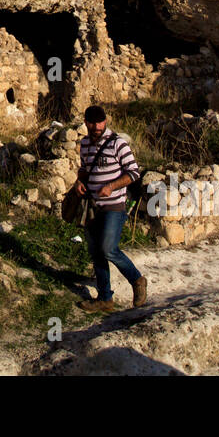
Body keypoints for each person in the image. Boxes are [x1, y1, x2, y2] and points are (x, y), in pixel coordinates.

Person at [74, 104, 147, 312]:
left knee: (108, 249)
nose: (96, 126)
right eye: (92, 122)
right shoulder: (85, 143)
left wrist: (111, 186)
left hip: (114, 206)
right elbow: (84, 169)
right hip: (92, 205)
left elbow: (134, 173)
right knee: (96, 252)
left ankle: (137, 280)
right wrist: (79, 182)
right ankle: (105, 298)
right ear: (86, 123)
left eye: (100, 122)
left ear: (105, 122)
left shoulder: (118, 143)